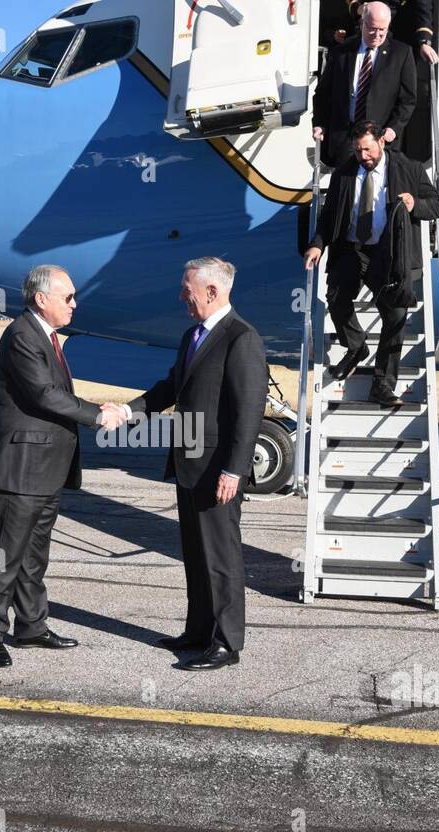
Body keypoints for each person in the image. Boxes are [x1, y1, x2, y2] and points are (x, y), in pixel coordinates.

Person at [109, 258, 267, 671]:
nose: (183, 296)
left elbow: (249, 412)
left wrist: (234, 470)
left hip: (218, 471)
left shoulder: (240, 338)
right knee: (196, 555)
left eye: (188, 290)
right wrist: (129, 411)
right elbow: (170, 387)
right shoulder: (192, 336)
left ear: (212, 292)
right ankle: (198, 631)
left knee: (221, 556)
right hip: (189, 463)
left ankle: (226, 642)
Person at [0, 265, 121, 668]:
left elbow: (52, 395)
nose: (74, 304)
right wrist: (97, 415)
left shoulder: (47, 338)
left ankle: (32, 626)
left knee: (34, 557)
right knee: (5, 556)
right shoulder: (21, 336)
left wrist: (94, 409)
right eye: (68, 297)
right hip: (21, 470)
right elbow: (43, 394)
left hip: (46, 469)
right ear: (41, 299)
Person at [304, 121, 439, 405]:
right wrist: (317, 245)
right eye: (358, 151)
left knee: (395, 316)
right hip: (353, 248)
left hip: (389, 253)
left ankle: (382, 384)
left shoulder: (410, 169)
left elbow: (437, 206)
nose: (363, 156)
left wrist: (414, 204)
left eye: (367, 149)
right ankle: (356, 347)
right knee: (336, 296)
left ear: (382, 141)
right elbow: (329, 216)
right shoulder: (344, 173)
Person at [312, 1, 416, 168]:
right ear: (362, 24)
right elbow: (323, 94)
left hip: (381, 140)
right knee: (347, 191)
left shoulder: (401, 54)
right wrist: (319, 123)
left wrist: (394, 128)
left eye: (382, 30)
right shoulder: (341, 52)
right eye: (372, 29)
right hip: (346, 139)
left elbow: (408, 100)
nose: (377, 34)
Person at [387, 0, 439, 163]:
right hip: (372, 35)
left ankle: (396, 157)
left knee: (402, 99)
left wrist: (424, 42)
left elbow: (423, 8)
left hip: (404, 38)